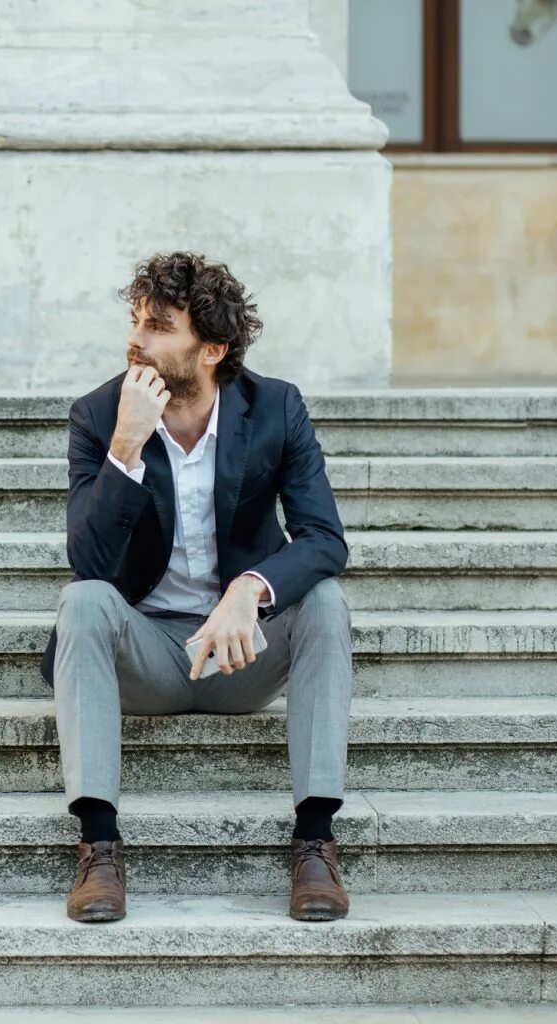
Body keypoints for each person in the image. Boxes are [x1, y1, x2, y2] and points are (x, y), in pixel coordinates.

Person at [40, 251, 354, 924]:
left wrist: (250, 588)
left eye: (158, 326)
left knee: (325, 601)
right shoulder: (99, 416)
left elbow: (326, 539)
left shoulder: (275, 409)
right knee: (82, 602)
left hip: (241, 654)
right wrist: (126, 446)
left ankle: (315, 840)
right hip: (146, 653)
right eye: (136, 320)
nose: (138, 338)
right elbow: (89, 561)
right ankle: (99, 846)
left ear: (210, 349)